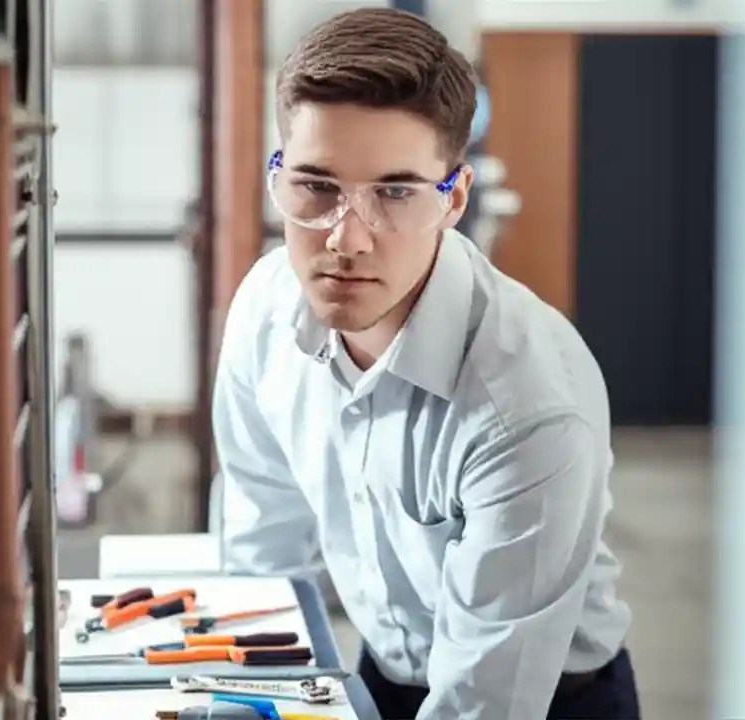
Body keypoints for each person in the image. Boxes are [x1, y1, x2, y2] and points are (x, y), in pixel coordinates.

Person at [212, 8, 638, 719]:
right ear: (278, 177)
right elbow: (264, 548)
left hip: (544, 696)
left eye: (396, 193)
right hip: (383, 667)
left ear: (454, 200)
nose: (346, 239)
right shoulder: (264, 310)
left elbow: (488, 700)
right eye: (315, 187)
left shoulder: (527, 404)